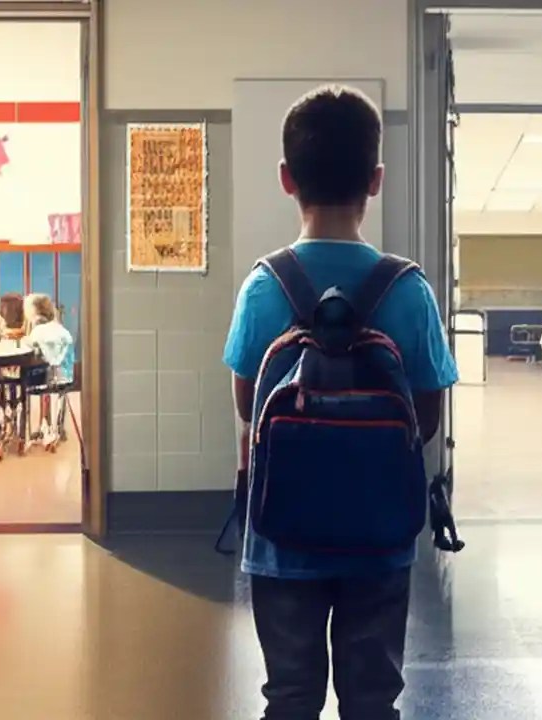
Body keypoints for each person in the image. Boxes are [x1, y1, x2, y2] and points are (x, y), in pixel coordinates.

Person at [222, 85, 458, 719]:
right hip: (379, 535)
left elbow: (250, 408)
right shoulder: (409, 291)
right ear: (376, 180)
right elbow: (427, 421)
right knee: (372, 699)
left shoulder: (264, 287)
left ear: (285, 179)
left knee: (291, 696)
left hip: (281, 534)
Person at [23, 293, 74, 447]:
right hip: (66, 378)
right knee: (51, 382)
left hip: (44, 379)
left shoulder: (37, 332)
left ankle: (40, 427)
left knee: (31, 377)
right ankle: (56, 429)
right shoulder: (62, 330)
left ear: (34, 312)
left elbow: (29, 352)